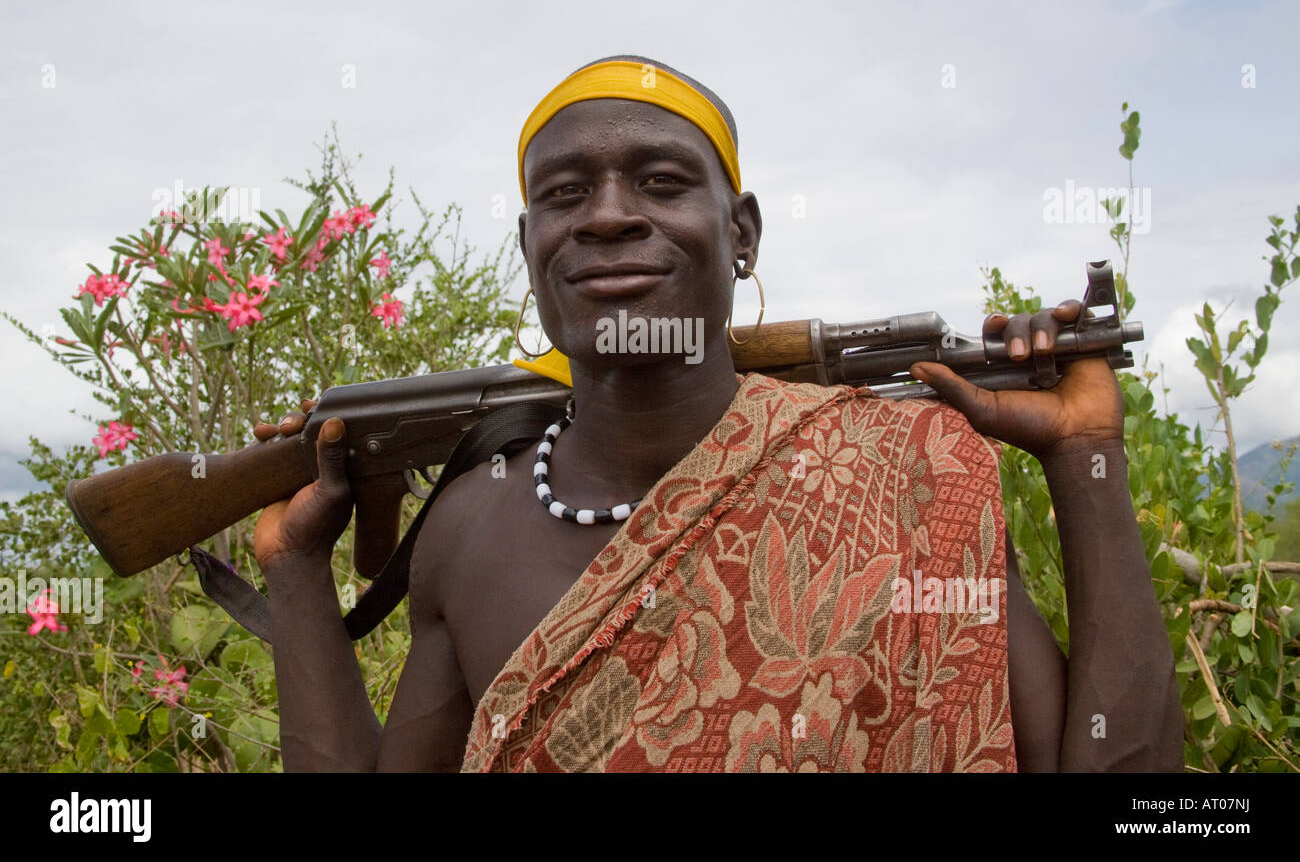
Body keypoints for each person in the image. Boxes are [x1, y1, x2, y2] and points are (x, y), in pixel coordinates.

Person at [251, 55, 1183, 772]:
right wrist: (294, 570)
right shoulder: (471, 526)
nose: (606, 216)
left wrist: (1085, 458)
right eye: (563, 194)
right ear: (530, 242)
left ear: (740, 233)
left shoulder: (904, 474)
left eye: (660, 182)